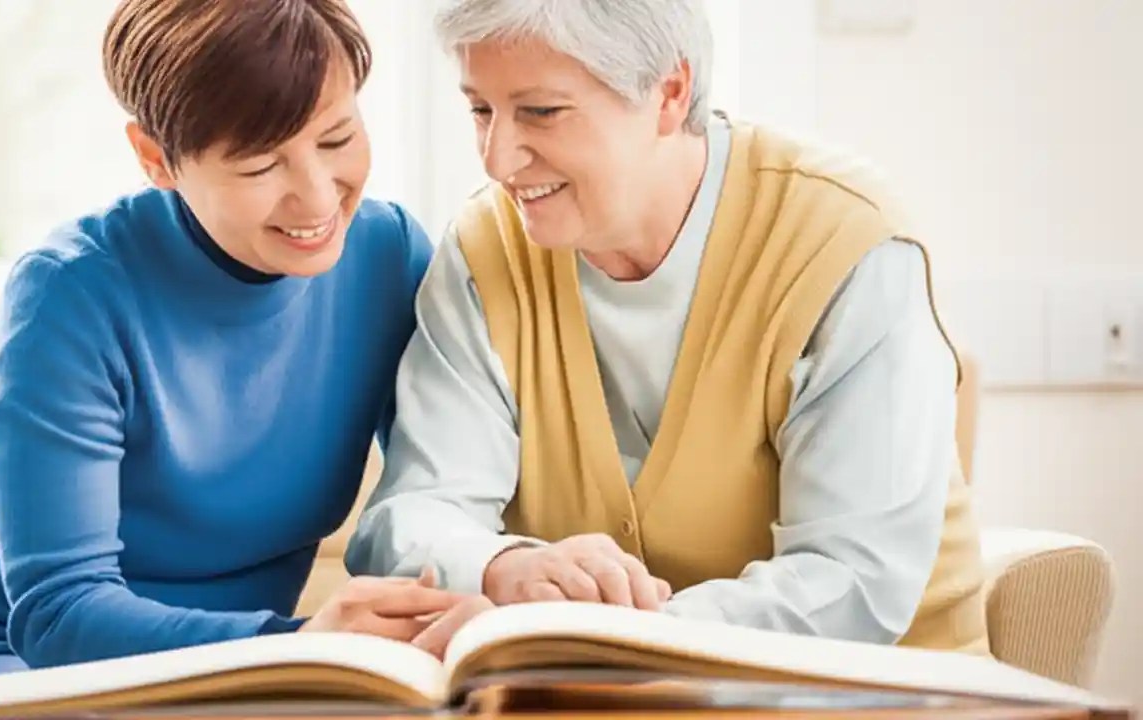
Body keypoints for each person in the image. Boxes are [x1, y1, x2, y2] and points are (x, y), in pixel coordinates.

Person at [345, 0, 990, 655]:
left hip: (879, 694)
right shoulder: (487, 253)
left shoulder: (844, 243)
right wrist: (498, 568)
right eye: (481, 110)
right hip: (604, 698)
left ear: (669, 93)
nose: (496, 158)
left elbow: (851, 585)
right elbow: (414, 514)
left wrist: (603, 636)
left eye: (540, 111)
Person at [0, 0, 489, 686]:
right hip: (7, 673)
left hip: (236, 681)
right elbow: (57, 614)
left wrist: (501, 570)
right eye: (261, 166)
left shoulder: (386, 257)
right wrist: (296, 645)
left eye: (337, 138)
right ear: (155, 158)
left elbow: (443, 488)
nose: (318, 198)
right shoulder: (69, 293)